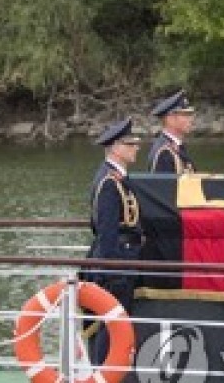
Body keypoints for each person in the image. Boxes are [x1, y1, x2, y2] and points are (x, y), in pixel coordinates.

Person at [86, 117, 144, 365]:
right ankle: (103, 375)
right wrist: (112, 270)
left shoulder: (116, 178)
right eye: (131, 144)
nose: (136, 148)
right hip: (116, 262)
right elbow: (106, 231)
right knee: (111, 327)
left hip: (125, 257)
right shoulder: (109, 183)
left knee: (116, 327)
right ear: (117, 148)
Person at [147, 90, 197, 174]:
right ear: (170, 119)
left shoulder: (176, 146)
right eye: (186, 115)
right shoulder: (164, 153)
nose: (191, 120)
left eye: (190, 115)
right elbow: (162, 186)